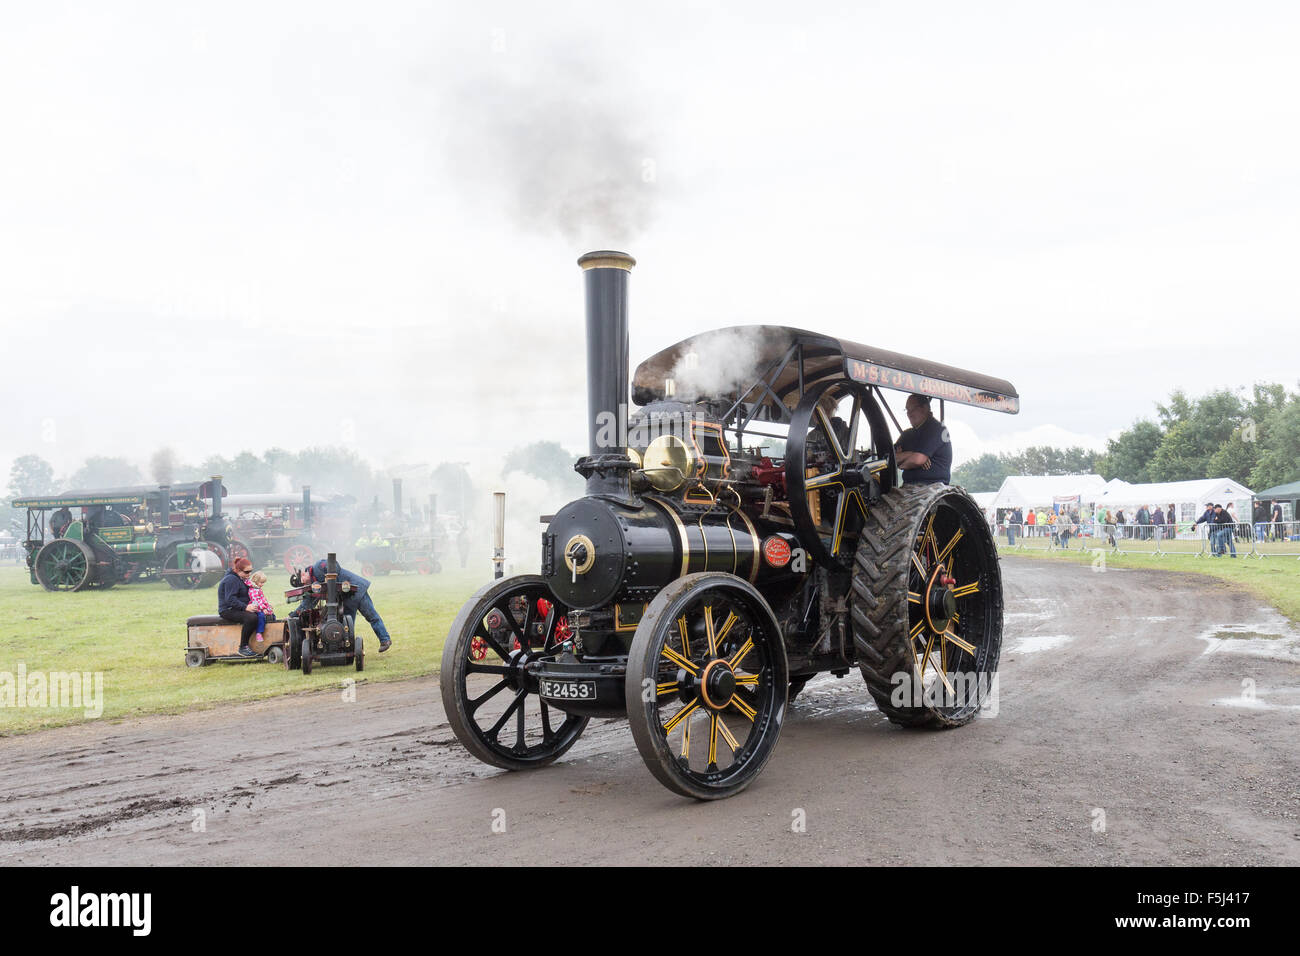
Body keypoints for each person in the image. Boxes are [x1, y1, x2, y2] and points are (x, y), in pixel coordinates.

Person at [304, 559, 392, 652]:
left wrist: (331, 576)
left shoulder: (318, 566)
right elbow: (309, 601)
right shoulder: (314, 584)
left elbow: (334, 565)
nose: (304, 583)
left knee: (371, 616)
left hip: (357, 588)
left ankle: (385, 640)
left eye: (303, 581)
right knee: (347, 626)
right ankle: (347, 648)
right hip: (346, 598)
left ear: (304, 573)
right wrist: (294, 614)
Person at [893, 394, 952, 485]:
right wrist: (911, 454)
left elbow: (918, 460)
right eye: (907, 410)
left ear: (924, 408)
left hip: (933, 486)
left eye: (912, 409)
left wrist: (902, 462)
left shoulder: (937, 429)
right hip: (909, 487)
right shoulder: (906, 435)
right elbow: (890, 459)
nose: (909, 414)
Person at [217, 557, 266, 657]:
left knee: (263, 614)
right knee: (251, 618)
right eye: (247, 572)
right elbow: (230, 600)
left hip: (237, 607)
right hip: (228, 610)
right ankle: (243, 647)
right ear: (238, 570)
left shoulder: (240, 578)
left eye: (251, 571)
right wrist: (246, 607)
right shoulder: (231, 579)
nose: (249, 574)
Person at [247, 571, 275, 645]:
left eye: (263, 583)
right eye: (261, 582)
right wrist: (263, 609)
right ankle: (259, 633)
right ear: (256, 581)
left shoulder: (258, 588)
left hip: (261, 606)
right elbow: (256, 601)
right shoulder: (253, 590)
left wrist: (268, 606)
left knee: (272, 614)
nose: (262, 584)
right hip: (256, 607)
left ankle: (272, 629)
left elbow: (263, 599)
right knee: (261, 616)